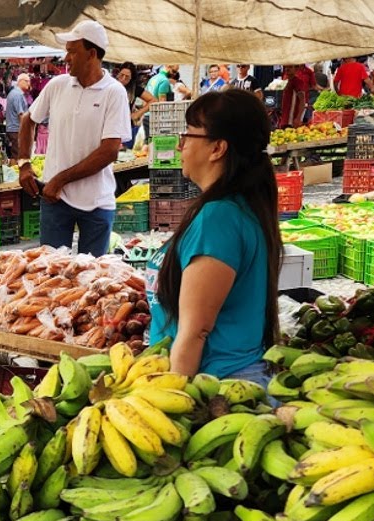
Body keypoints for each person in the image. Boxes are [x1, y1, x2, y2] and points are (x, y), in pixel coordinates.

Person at [145, 89, 282, 381]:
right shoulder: (238, 208)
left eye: (188, 136)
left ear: (217, 148)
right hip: (222, 375)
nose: (180, 146)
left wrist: (170, 397)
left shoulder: (218, 218)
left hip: (214, 384)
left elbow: (196, 331)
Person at [19, 20, 131, 257]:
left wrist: (61, 179)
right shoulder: (57, 85)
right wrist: (24, 164)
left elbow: (109, 151)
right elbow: (28, 120)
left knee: (92, 278)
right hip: (55, 200)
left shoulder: (114, 92)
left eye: (72, 51)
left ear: (91, 54)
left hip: (97, 203)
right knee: (51, 273)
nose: (66, 58)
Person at [115, 63, 155, 148]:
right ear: (118, 73)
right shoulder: (111, 85)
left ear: (131, 78)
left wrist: (138, 114)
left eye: (127, 77)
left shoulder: (134, 88)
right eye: (122, 75)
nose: (123, 79)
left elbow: (153, 100)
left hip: (127, 127)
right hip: (111, 126)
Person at [4, 74, 33, 158]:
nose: (29, 84)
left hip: (13, 129)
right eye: (27, 81)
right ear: (20, 81)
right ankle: (15, 171)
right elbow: (21, 115)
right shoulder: (18, 95)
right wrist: (26, 130)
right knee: (18, 155)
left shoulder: (14, 93)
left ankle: (13, 170)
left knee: (15, 155)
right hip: (16, 130)